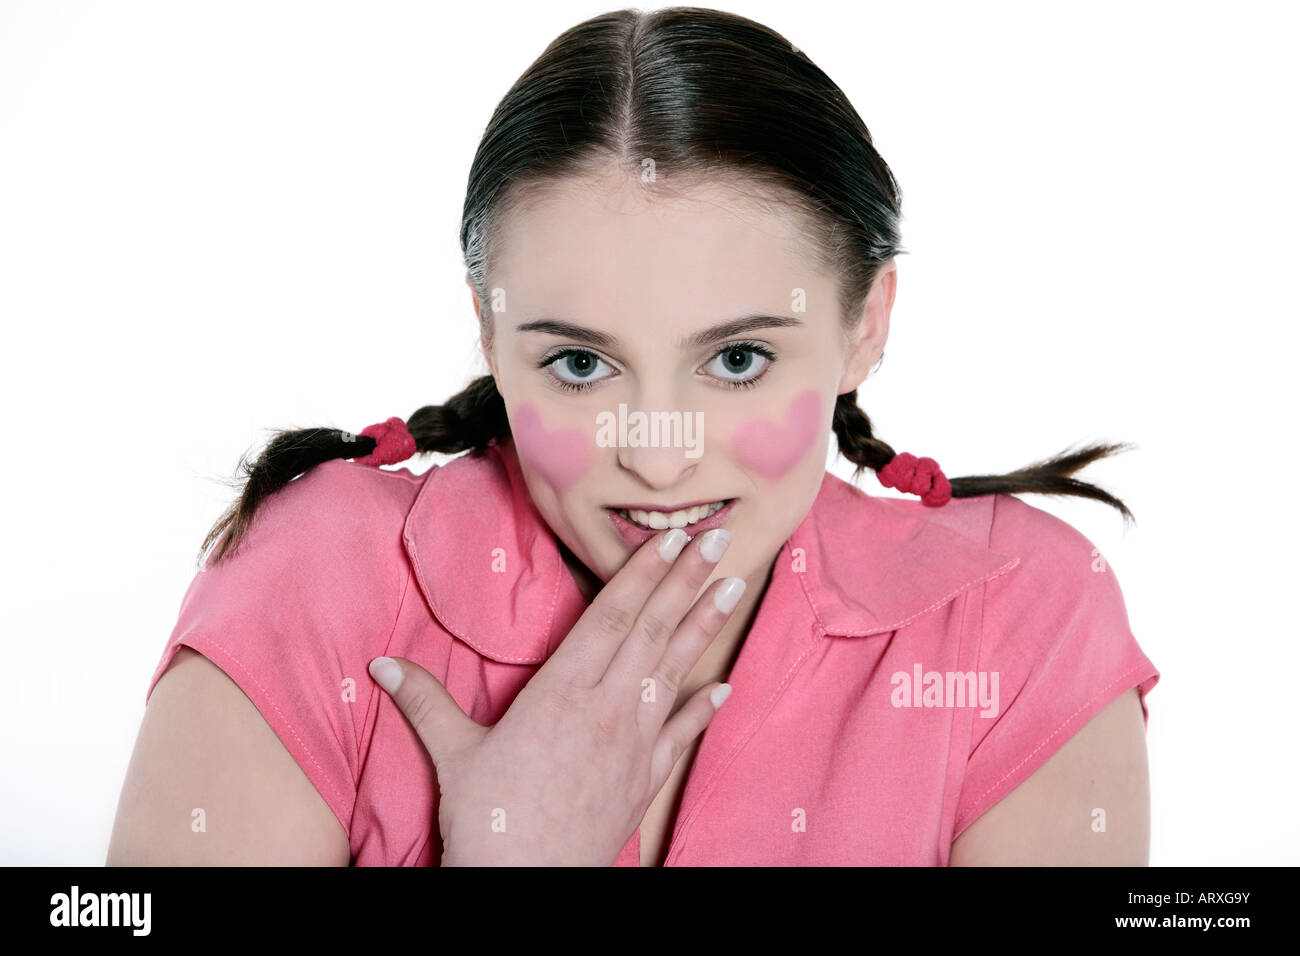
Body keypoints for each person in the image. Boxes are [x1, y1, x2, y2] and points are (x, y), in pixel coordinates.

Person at [108, 6, 1158, 867]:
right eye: (580, 363)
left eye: (737, 359)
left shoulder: (1015, 615)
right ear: (488, 329)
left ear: (864, 325)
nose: (658, 454)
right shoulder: (323, 573)